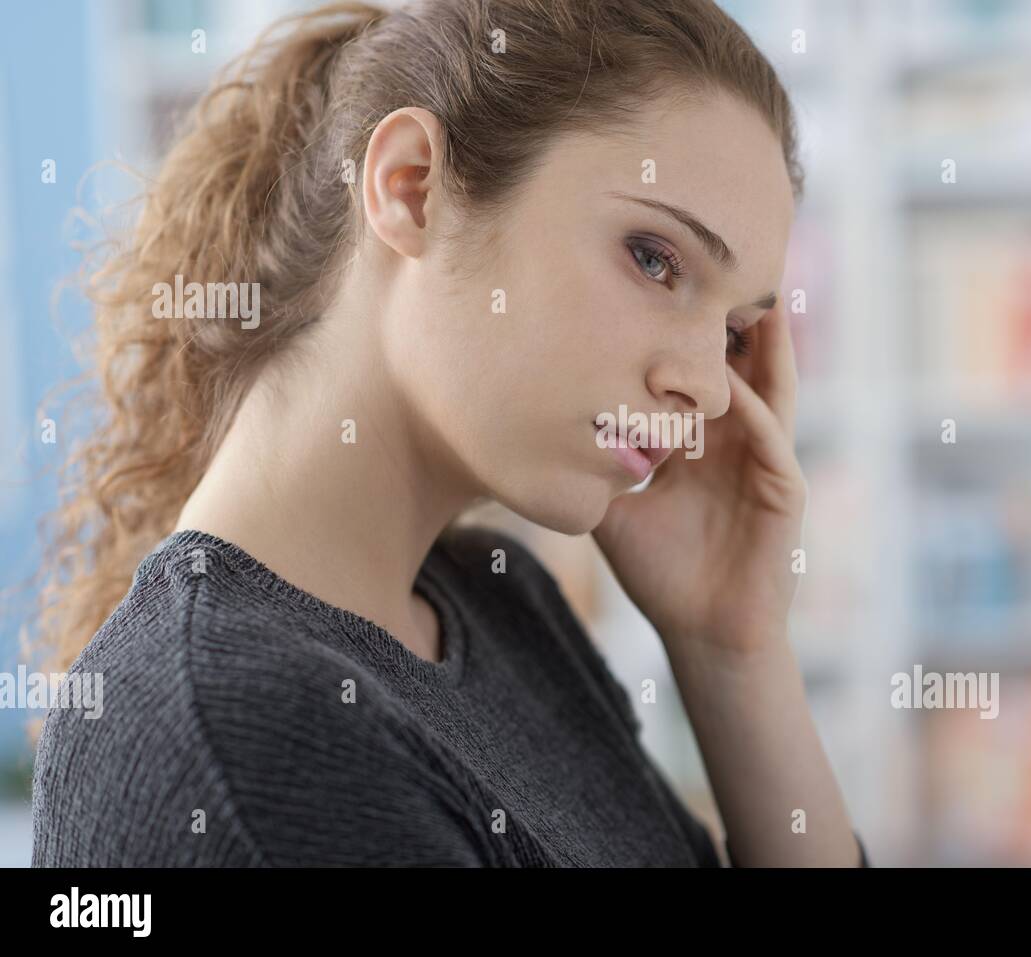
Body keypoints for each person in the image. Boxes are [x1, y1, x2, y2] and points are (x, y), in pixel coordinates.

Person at [27, 0, 868, 867]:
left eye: (734, 333)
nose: (707, 387)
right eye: (655, 259)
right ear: (411, 186)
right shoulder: (238, 734)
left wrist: (732, 648)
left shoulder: (497, 607)